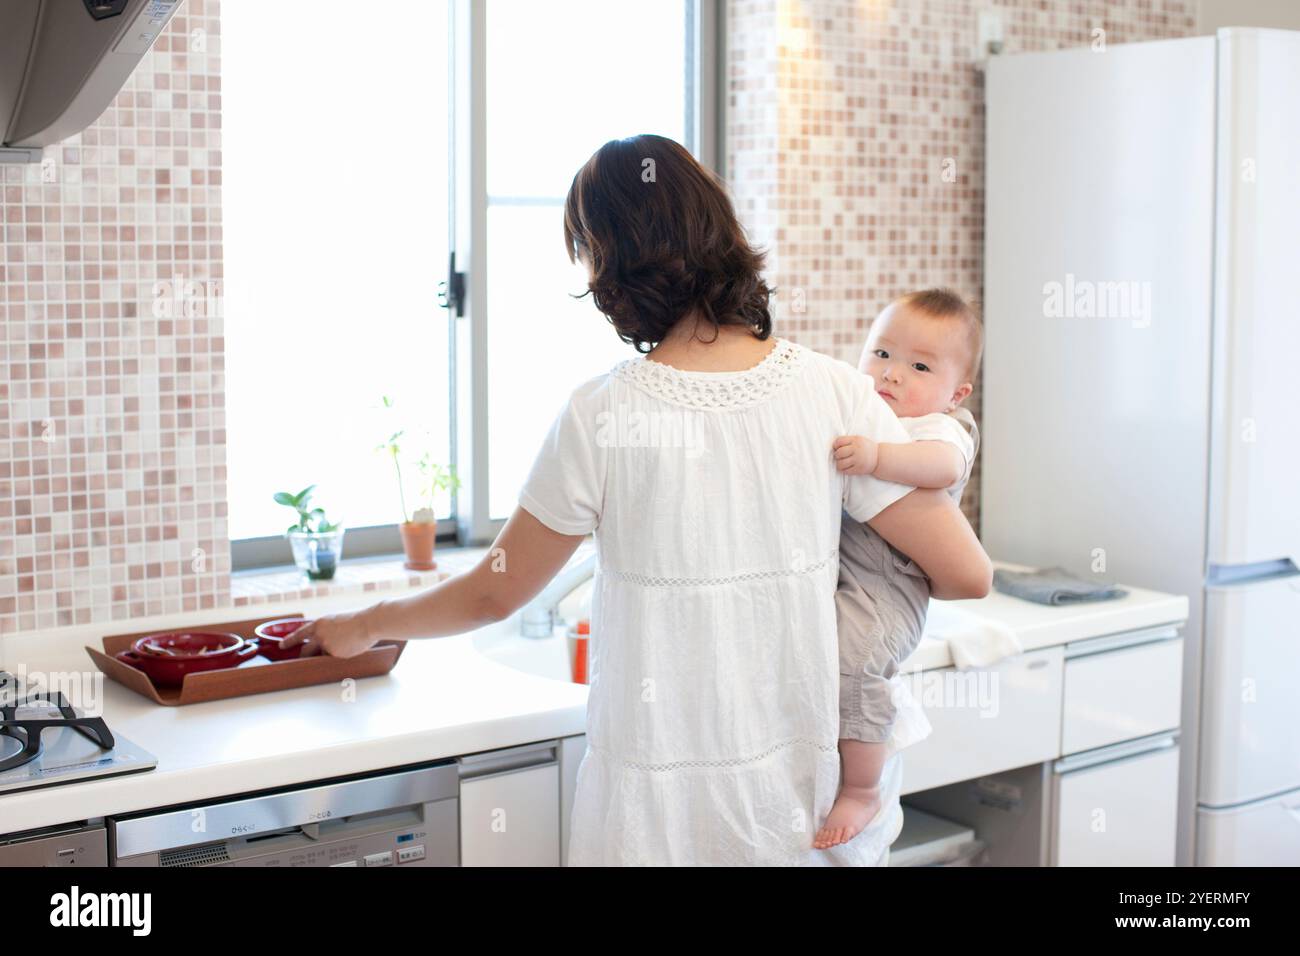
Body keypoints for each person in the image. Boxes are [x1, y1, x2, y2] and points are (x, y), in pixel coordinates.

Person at [283, 134, 992, 865]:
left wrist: (367, 623)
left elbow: (494, 596)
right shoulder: (835, 393)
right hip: (801, 814)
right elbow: (967, 574)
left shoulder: (600, 414)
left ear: (607, 261)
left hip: (660, 825)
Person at [814, 289, 983, 849]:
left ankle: (862, 789)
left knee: (856, 664)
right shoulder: (870, 415)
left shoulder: (940, 429)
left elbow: (941, 466)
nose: (891, 374)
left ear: (955, 393)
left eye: (918, 366)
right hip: (851, 576)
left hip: (891, 589)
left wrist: (877, 457)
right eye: (881, 354)